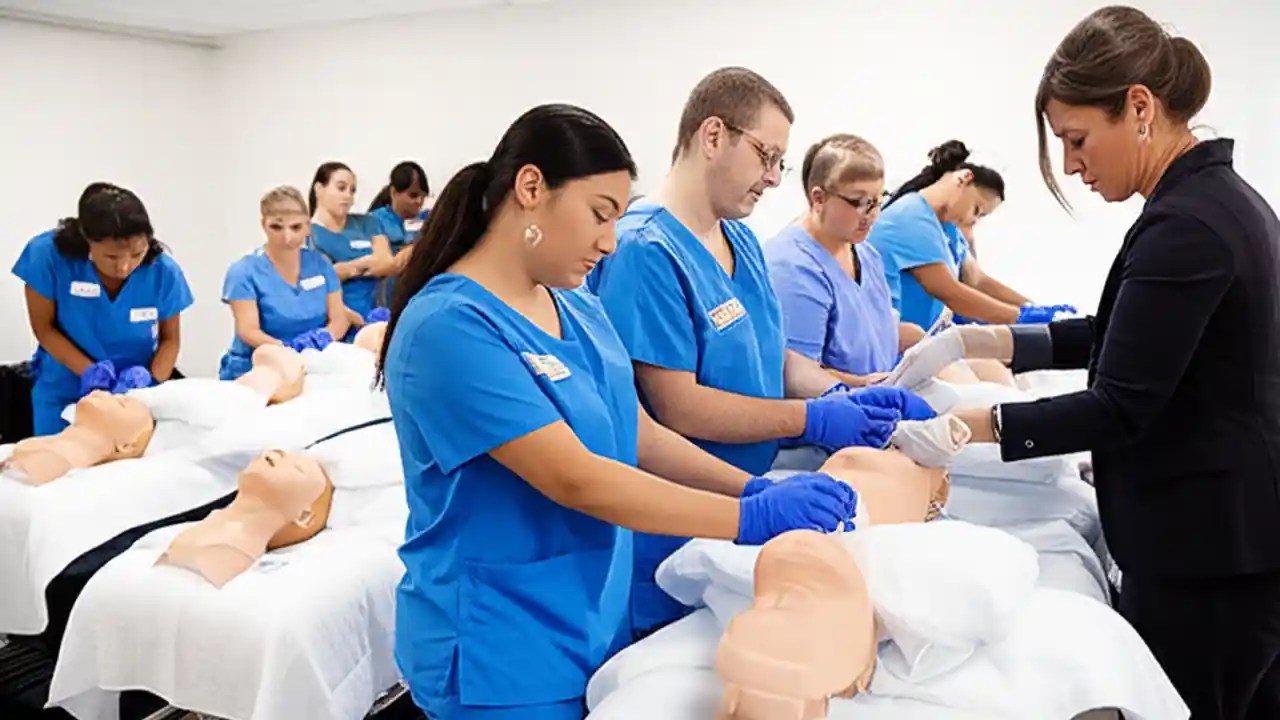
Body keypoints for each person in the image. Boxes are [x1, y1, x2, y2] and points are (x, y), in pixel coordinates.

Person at [377, 103, 859, 720]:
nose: (609, 243)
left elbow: (636, 432)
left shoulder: (573, 305)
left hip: (590, 618)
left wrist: (755, 487)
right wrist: (746, 518)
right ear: (531, 188)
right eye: (599, 215)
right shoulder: (450, 329)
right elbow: (576, 477)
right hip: (499, 649)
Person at [889, 8, 1280, 719]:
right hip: (1226, 541)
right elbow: (1133, 333)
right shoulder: (1209, 203)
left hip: (1212, 555)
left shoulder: (1188, 224)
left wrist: (965, 427)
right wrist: (990, 342)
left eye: (1076, 139)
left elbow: (1119, 404)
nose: (1071, 163)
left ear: (1138, 107)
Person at [588, 68, 933, 636]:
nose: (774, 179)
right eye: (767, 157)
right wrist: (813, 417)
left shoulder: (739, 239)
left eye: (781, 163)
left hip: (754, 508)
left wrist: (844, 394)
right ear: (713, 136)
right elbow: (677, 407)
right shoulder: (644, 250)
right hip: (684, 521)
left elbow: (773, 356)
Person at [13, 183, 193, 436]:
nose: (124, 267)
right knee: (59, 462)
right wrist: (90, 373)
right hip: (65, 386)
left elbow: (170, 340)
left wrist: (149, 385)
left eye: (136, 254)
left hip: (131, 397)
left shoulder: (163, 272)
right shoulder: (48, 257)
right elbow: (44, 328)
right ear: (87, 240)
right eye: (112, 257)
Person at [868, 140, 1074, 328]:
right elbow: (950, 292)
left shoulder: (946, 226)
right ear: (965, 178)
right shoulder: (911, 217)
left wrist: (1033, 308)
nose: (973, 221)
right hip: (894, 343)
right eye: (977, 210)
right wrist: (1019, 318)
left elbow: (978, 281)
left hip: (922, 338)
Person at [765, 134, 912, 389]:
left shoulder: (865, 254)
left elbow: (873, 336)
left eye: (878, 201)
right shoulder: (793, 268)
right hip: (837, 414)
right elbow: (796, 377)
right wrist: (863, 385)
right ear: (819, 198)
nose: (871, 215)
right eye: (860, 203)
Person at [217, 187, 349, 380]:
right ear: (264, 225)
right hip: (256, 368)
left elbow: (339, 319)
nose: (287, 237)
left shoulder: (321, 265)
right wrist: (286, 350)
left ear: (307, 226)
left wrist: (323, 339)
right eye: (276, 227)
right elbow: (248, 330)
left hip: (313, 366)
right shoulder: (244, 272)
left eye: (296, 227)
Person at [307, 162, 397, 322]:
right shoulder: (308, 234)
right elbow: (322, 281)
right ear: (319, 189)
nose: (348, 196)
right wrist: (363, 264)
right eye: (341, 188)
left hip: (380, 314)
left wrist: (346, 269)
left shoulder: (369, 223)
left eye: (352, 190)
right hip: (341, 318)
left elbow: (387, 264)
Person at [368, 161, 431, 306]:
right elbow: (384, 266)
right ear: (394, 192)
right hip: (385, 299)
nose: (419, 201)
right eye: (413, 195)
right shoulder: (374, 221)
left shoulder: (427, 220)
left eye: (423, 196)